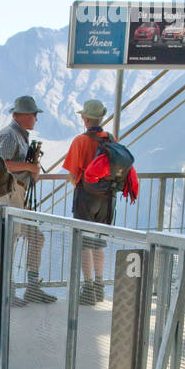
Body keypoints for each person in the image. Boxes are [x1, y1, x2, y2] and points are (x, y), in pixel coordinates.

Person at [0, 95, 56, 306]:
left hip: (19, 194)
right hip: (10, 195)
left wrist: (30, 170)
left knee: (35, 237)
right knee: (9, 242)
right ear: (26, 115)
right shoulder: (9, 135)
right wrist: (30, 167)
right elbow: (1, 164)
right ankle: (6, 291)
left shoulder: (19, 135)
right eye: (35, 115)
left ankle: (31, 287)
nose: (36, 120)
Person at [63, 98, 114, 306]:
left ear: (85, 119)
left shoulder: (80, 141)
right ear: (101, 117)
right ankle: (101, 286)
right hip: (107, 198)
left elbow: (73, 174)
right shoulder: (111, 138)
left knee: (85, 244)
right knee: (98, 244)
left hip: (86, 196)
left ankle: (89, 288)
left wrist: (79, 187)